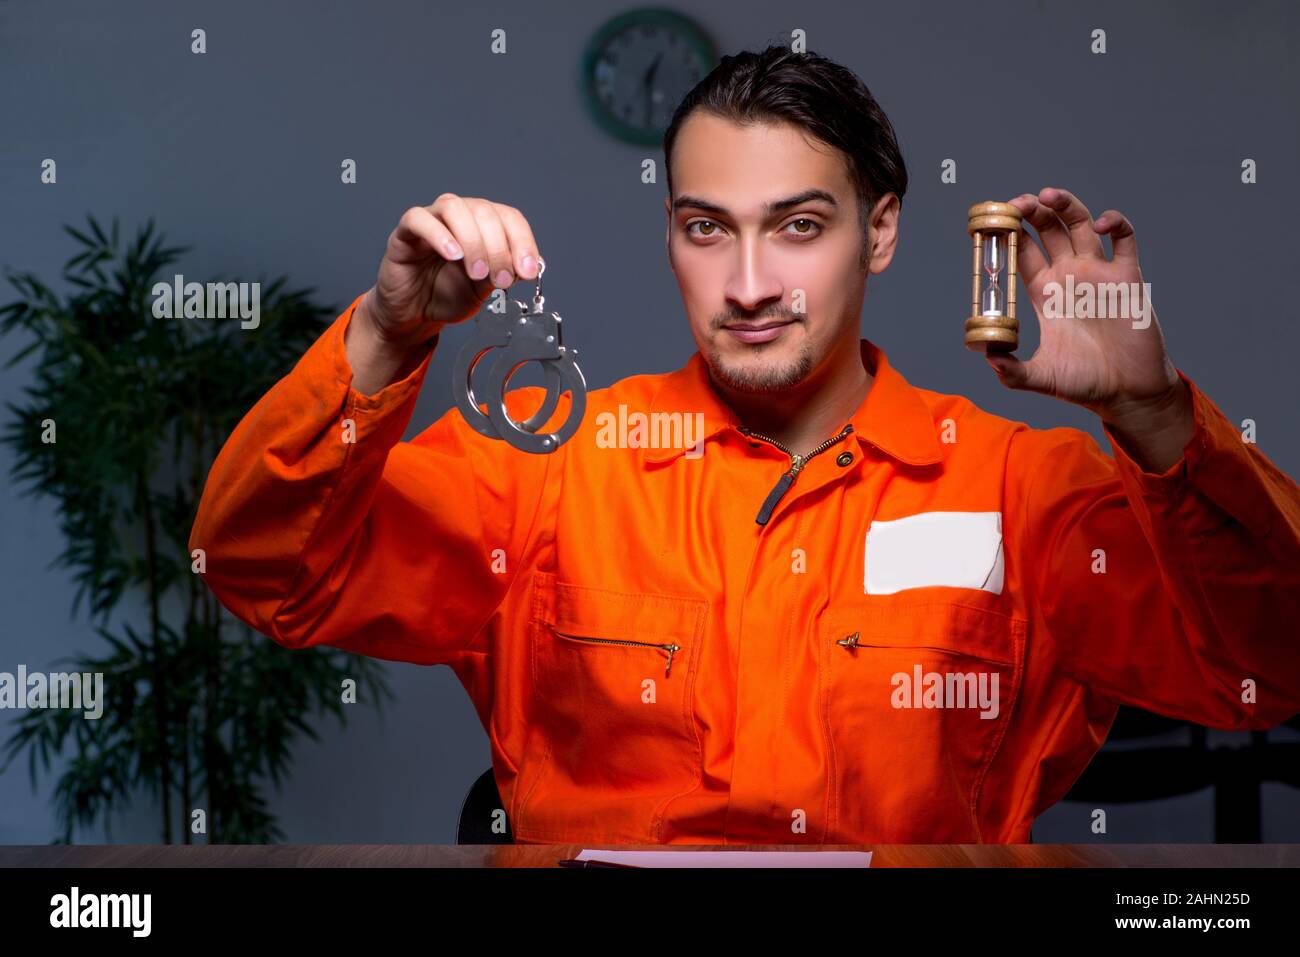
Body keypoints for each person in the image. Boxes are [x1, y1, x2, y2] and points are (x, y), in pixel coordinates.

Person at [189, 46, 1300, 844]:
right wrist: (386, 337)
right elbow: (259, 569)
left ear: (882, 231)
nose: (750, 283)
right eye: (706, 228)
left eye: (799, 227)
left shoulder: (1019, 485)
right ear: (671, 233)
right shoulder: (552, 467)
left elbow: (1264, 675)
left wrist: (1152, 417)